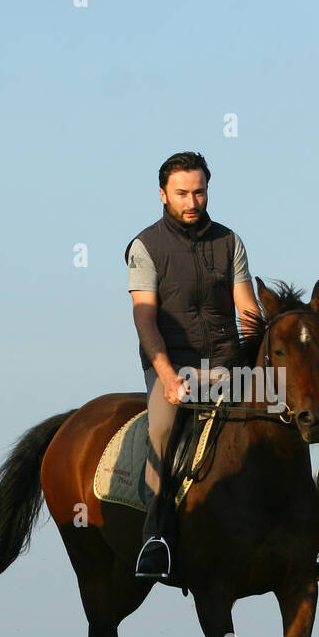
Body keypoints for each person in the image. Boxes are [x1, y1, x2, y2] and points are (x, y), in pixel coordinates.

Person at [126, 152, 259, 579]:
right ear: (163, 194)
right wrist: (166, 378)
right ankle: (154, 537)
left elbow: (247, 310)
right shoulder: (145, 246)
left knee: (281, 415)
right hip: (174, 366)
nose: (191, 201)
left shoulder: (230, 241)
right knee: (162, 427)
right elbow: (145, 318)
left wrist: (263, 360)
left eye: (198, 192)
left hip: (226, 364)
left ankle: (294, 530)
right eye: (182, 193)